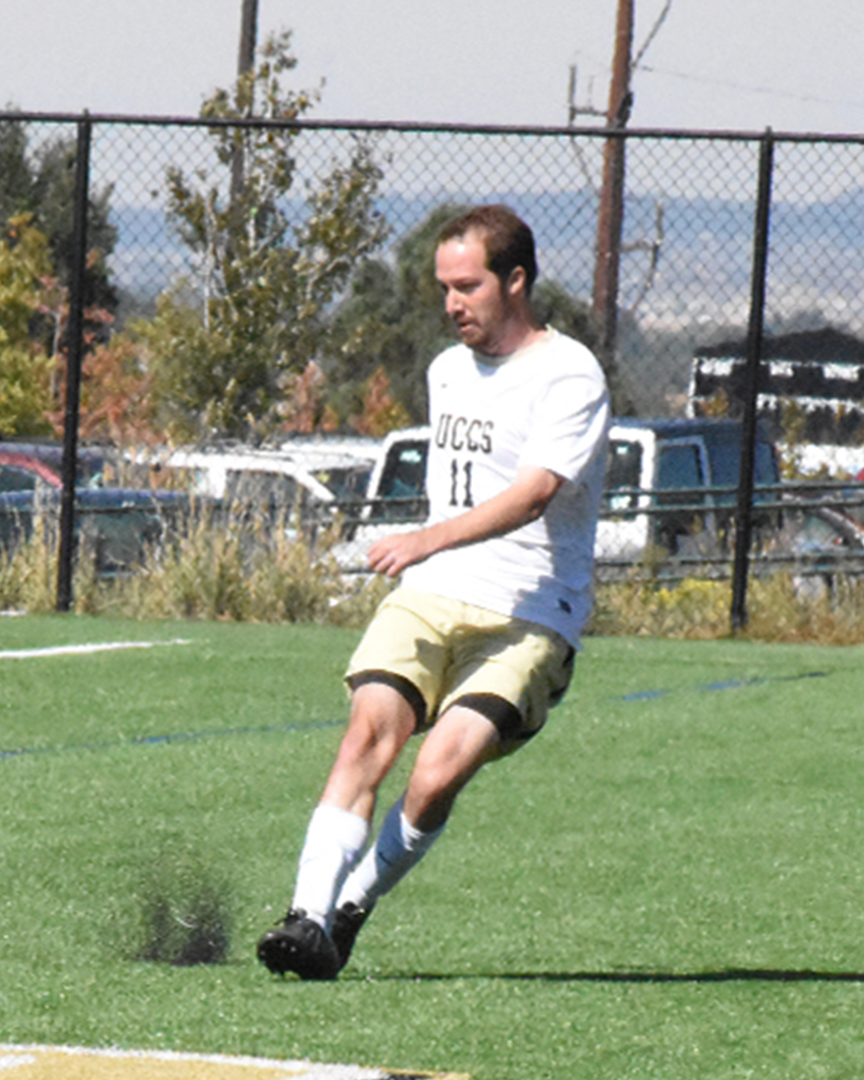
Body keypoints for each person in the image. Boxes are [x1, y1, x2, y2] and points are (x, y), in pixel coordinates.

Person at [257, 204, 610, 978]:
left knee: (437, 773)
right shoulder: (447, 369)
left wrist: (426, 538)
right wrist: (430, 557)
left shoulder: (570, 373)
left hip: (528, 615)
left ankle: (352, 906)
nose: (452, 303)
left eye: (467, 285)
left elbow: (533, 495)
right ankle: (305, 916)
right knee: (366, 739)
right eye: (443, 287)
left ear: (516, 281)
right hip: (432, 593)